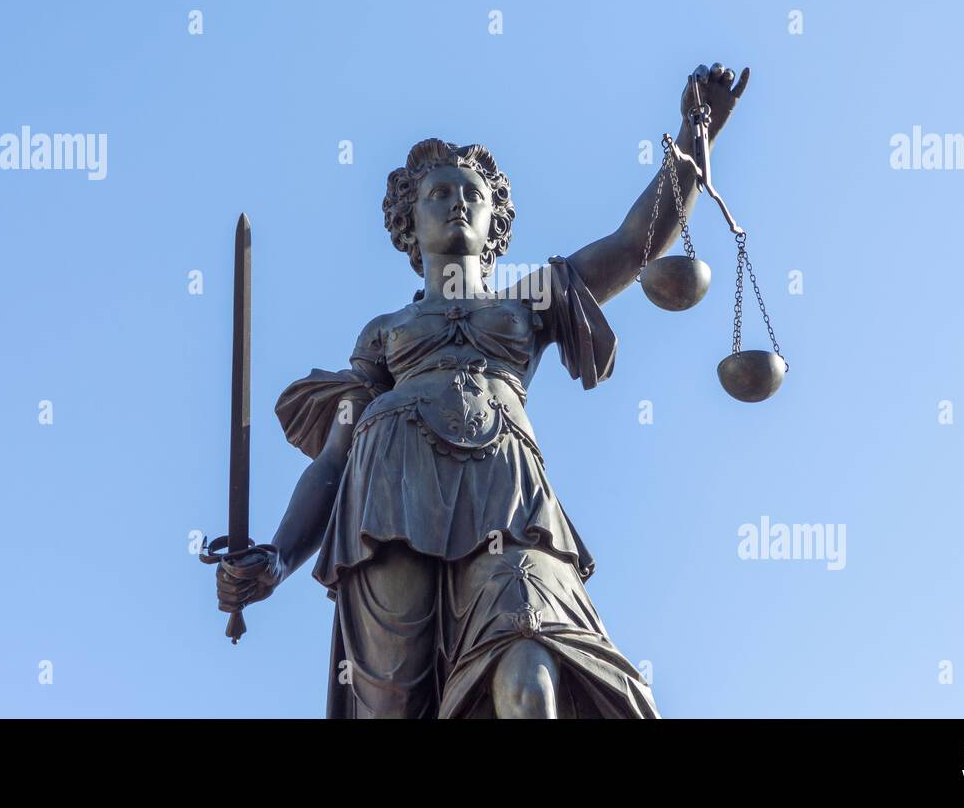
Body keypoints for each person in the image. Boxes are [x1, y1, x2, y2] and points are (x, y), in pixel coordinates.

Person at [217, 64, 749, 717]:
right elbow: (334, 459)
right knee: (393, 702)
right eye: (439, 193)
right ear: (408, 221)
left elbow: (636, 241)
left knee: (533, 667)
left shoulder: (532, 299)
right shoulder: (384, 333)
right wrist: (276, 556)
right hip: (390, 500)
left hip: (509, 496)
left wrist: (698, 134)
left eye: (472, 193)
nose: (458, 202)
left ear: (497, 219)